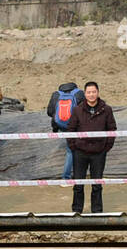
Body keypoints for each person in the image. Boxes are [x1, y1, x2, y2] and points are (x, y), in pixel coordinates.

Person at [67, 81, 116, 214]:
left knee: (97, 185)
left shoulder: (106, 109)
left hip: (99, 153)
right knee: (78, 184)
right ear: (85, 94)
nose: (91, 95)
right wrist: (74, 146)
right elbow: (70, 129)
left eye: (94, 92)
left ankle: (97, 212)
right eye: (89, 92)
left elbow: (112, 129)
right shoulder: (78, 110)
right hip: (80, 153)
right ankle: (77, 211)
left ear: (98, 93)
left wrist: (106, 147)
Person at [46, 81, 82, 180]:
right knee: (78, 151)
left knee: (70, 151)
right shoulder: (79, 93)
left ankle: (66, 177)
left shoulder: (56, 94)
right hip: (77, 127)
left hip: (63, 126)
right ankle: (76, 175)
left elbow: (49, 112)